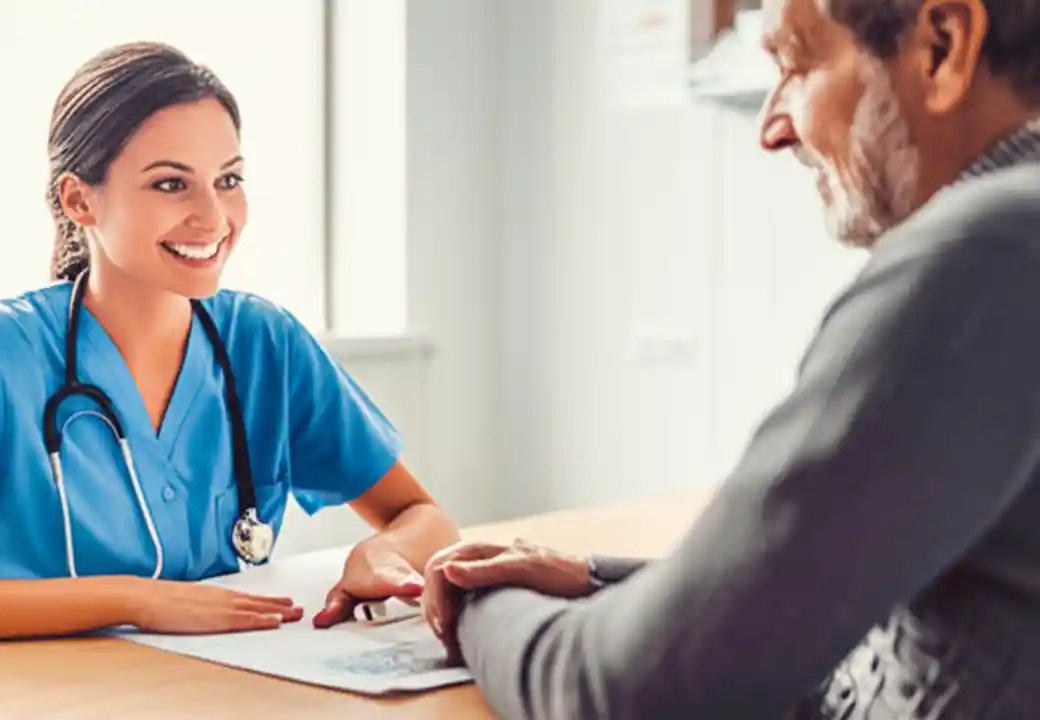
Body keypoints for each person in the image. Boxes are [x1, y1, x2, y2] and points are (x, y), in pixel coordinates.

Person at [422, 0, 1040, 717]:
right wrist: (595, 579)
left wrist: (481, 601)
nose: (772, 128)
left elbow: (616, 695)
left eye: (797, 65)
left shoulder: (985, 258)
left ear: (941, 46)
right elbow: (840, 601)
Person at [0, 41, 457, 656]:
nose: (213, 217)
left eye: (228, 179)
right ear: (80, 200)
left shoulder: (265, 343)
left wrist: (384, 550)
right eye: (169, 185)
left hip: (201, 691)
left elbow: (422, 516)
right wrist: (132, 599)